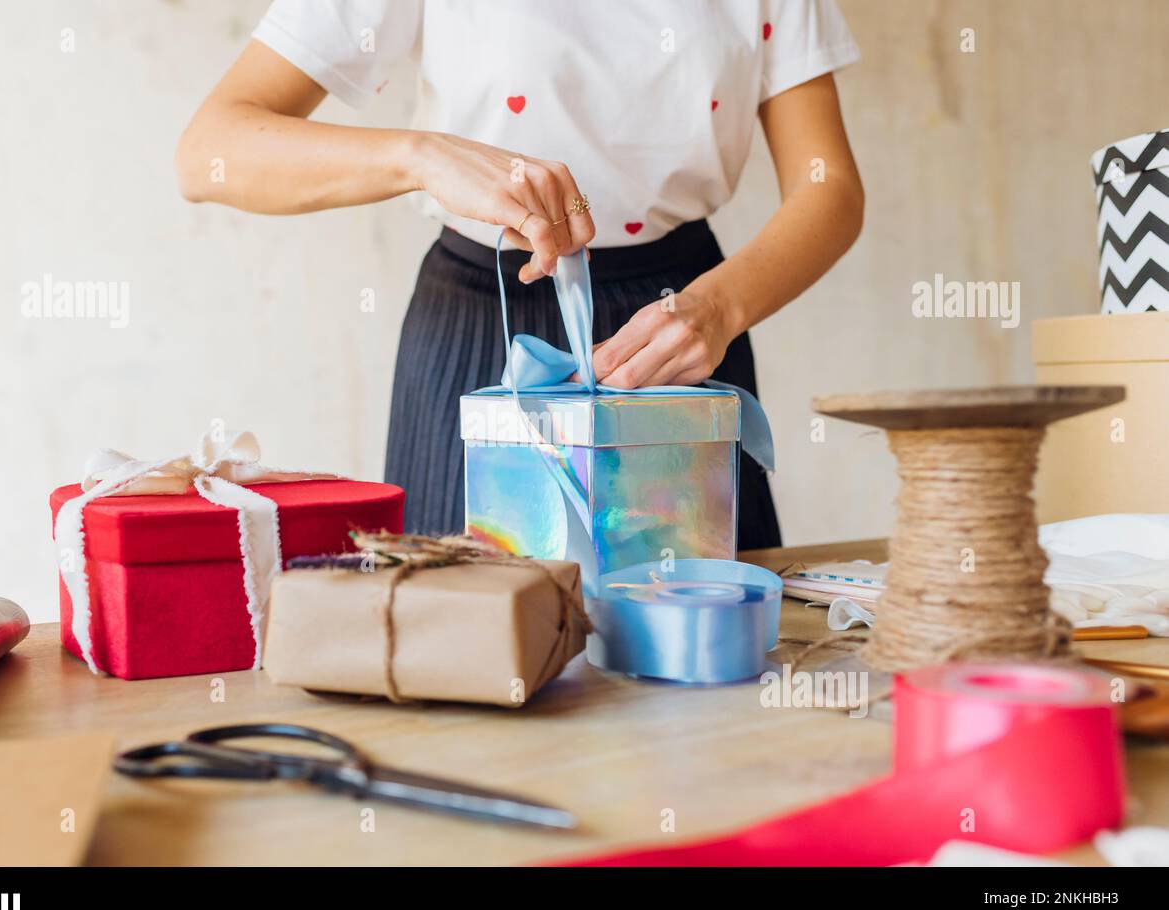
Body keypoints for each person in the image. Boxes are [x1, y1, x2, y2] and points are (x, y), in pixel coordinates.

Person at [176, 0, 865, 548]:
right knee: (463, 663)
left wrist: (718, 309)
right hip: (479, 335)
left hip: (684, 332)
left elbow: (828, 185)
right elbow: (210, 149)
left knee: (698, 678)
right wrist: (424, 157)